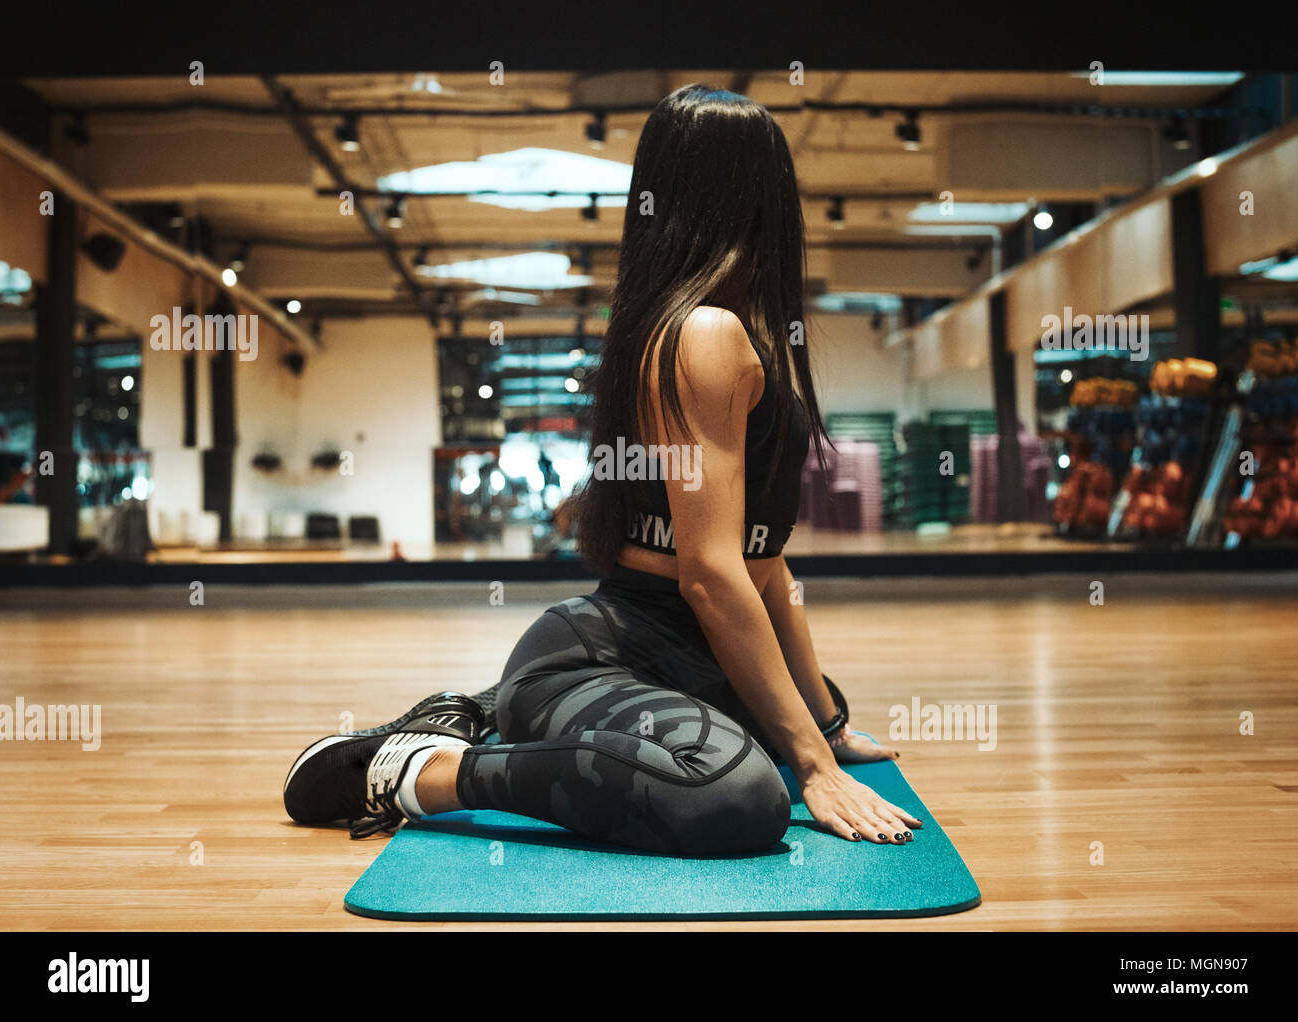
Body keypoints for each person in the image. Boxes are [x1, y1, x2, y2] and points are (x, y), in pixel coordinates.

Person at [284, 84, 922, 856]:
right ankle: (428, 767)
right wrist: (812, 768)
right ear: (760, 194)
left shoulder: (749, 336)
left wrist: (827, 726)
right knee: (738, 796)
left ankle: (486, 708)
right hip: (607, 653)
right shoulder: (703, 333)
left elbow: (766, 561)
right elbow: (712, 575)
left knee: (800, 711)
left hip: (693, 660)